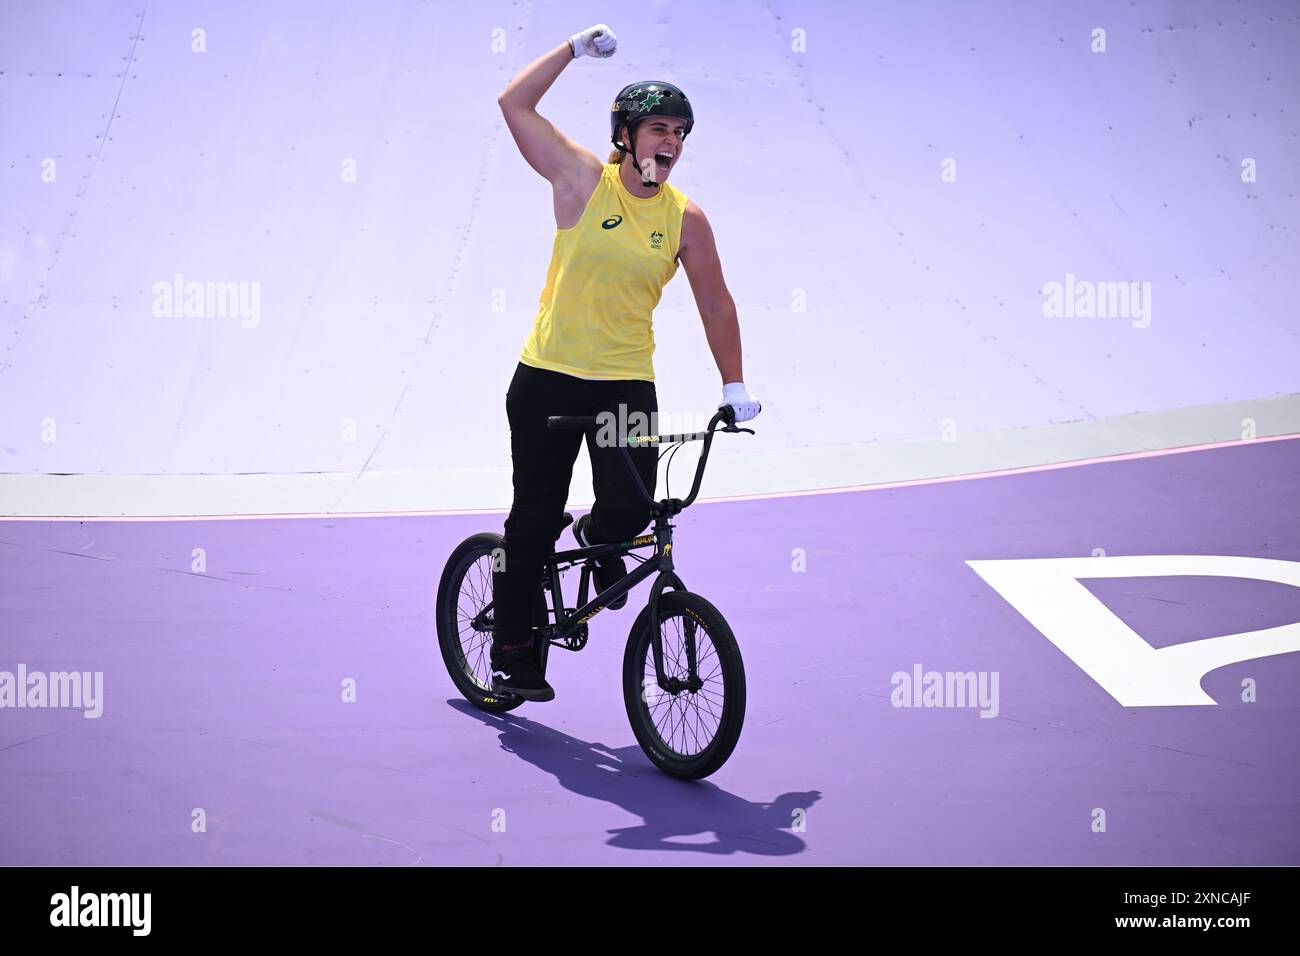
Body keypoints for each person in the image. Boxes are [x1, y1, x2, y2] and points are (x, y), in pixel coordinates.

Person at [490, 23, 762, 702]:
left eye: (679, 132)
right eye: (658, 128)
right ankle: (514, 650)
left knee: (631, 510)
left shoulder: (685, 219)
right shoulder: (582, 180)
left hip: (623, 389)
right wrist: (573, 51)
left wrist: (734, 384)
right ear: (627, 135)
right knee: (533, 517)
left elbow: (717, 306)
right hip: (548, 382)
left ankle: (591, 536)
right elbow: (514, 106)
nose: (670, 142)